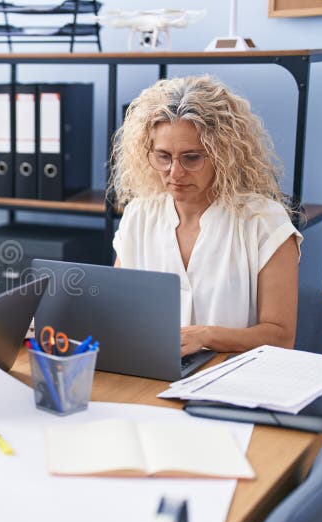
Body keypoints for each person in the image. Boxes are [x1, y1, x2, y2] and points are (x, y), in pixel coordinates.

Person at [110, 75, 301, 357]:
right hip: (154, 368)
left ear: (223, 154)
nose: (175, 173)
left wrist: (205, 335)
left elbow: (281, 336)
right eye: (163, 156)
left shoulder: (263, 221)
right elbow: (117, 308)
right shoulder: (139, 214)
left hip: (233, 378)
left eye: (191, 158)